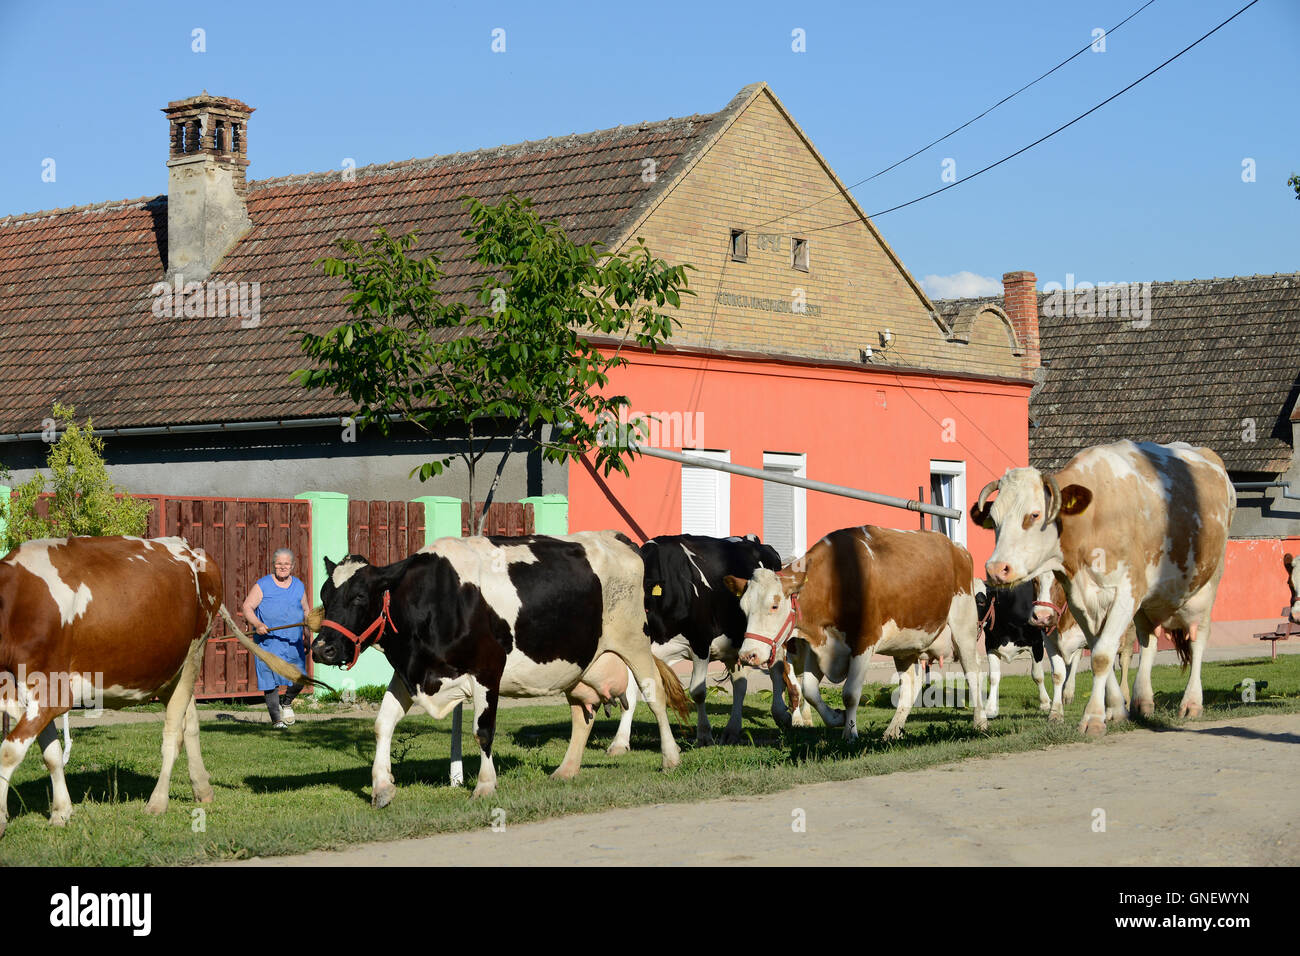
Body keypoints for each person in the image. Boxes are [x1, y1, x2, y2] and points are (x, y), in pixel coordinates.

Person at [241, 548, 311, 728]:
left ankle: (286, 703)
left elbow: (306, 611)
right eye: (279, 563)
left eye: (286, 564)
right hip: (268, 643)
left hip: (292, 643)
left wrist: (307, 636)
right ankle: (277, 721)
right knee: (270, 680)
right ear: (273, 565)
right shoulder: (263, 585)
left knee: (300, 677)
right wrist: (257, 624)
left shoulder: (299, 586)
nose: (282, 567)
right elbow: (247, 607)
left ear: (292, 566)